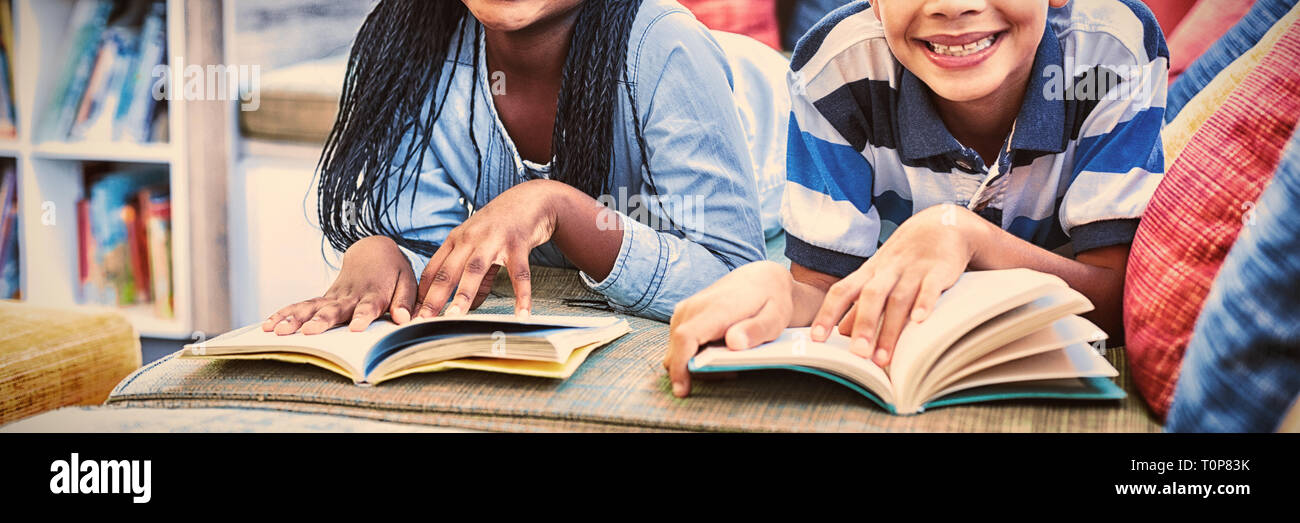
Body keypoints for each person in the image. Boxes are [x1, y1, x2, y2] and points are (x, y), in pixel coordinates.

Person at [665, 0, 1169, 397]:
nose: (952, 6)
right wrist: (776, 287)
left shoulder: (1115, 52)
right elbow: (825, 289)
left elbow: (1122, 302)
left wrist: (967, 235)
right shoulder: (833, 71)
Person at [264, 0, 788, 335]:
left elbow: (735, 278)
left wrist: (558, 206)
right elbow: (437, 255)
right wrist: (379, 251)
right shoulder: (416, 46)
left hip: (802, 218)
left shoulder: (664, 44)